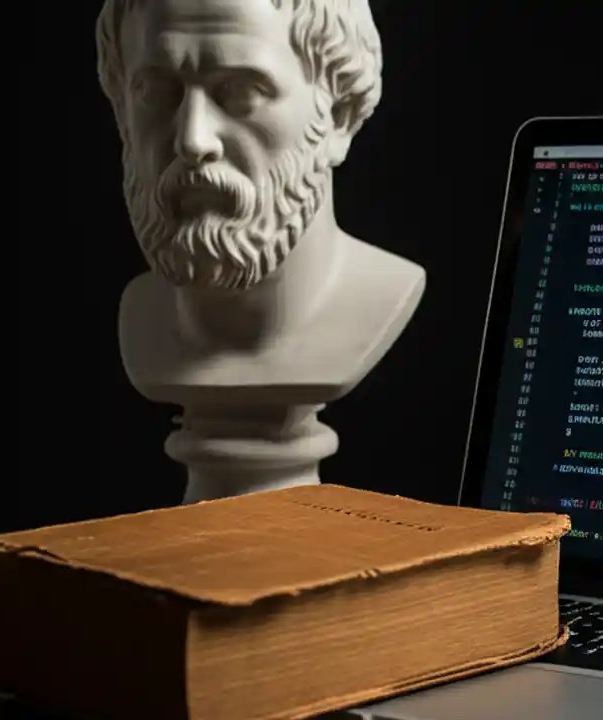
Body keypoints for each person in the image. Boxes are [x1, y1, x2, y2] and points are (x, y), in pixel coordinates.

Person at [95, 0, 426, 501]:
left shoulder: (382, 294)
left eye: (241, 91)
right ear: (122, 112)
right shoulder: (141, 311)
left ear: (338, 114)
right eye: (157, 93)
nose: (193, 140)